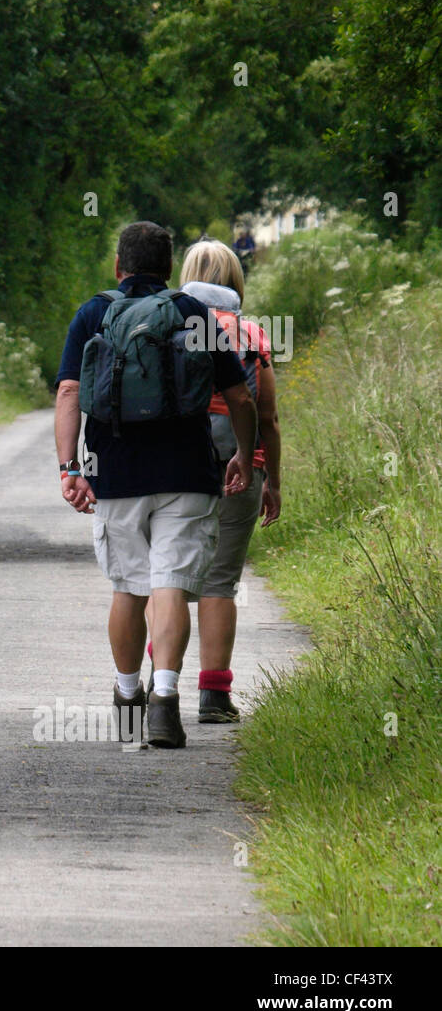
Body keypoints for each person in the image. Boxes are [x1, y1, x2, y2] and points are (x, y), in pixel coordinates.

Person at [54, 221, 257, 748]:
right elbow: (240, 397)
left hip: (115, 473)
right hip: (188, 472)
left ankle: (127, 695)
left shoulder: (94, 312)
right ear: (170, 271)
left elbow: (70, 392)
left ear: (118, 267)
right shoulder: (194, 313)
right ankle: (165, 698)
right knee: (170, 584)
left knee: (129, 587)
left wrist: (69, 468)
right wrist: (239, 454)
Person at [179, 236, 283, 722]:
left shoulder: (167, 325)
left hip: (175, 467)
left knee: (170, 579)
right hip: (241, 465)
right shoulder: (253, 334)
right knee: (220, 582)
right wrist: (272, 479)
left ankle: (161, 694)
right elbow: (268, 416)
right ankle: (214, 697)